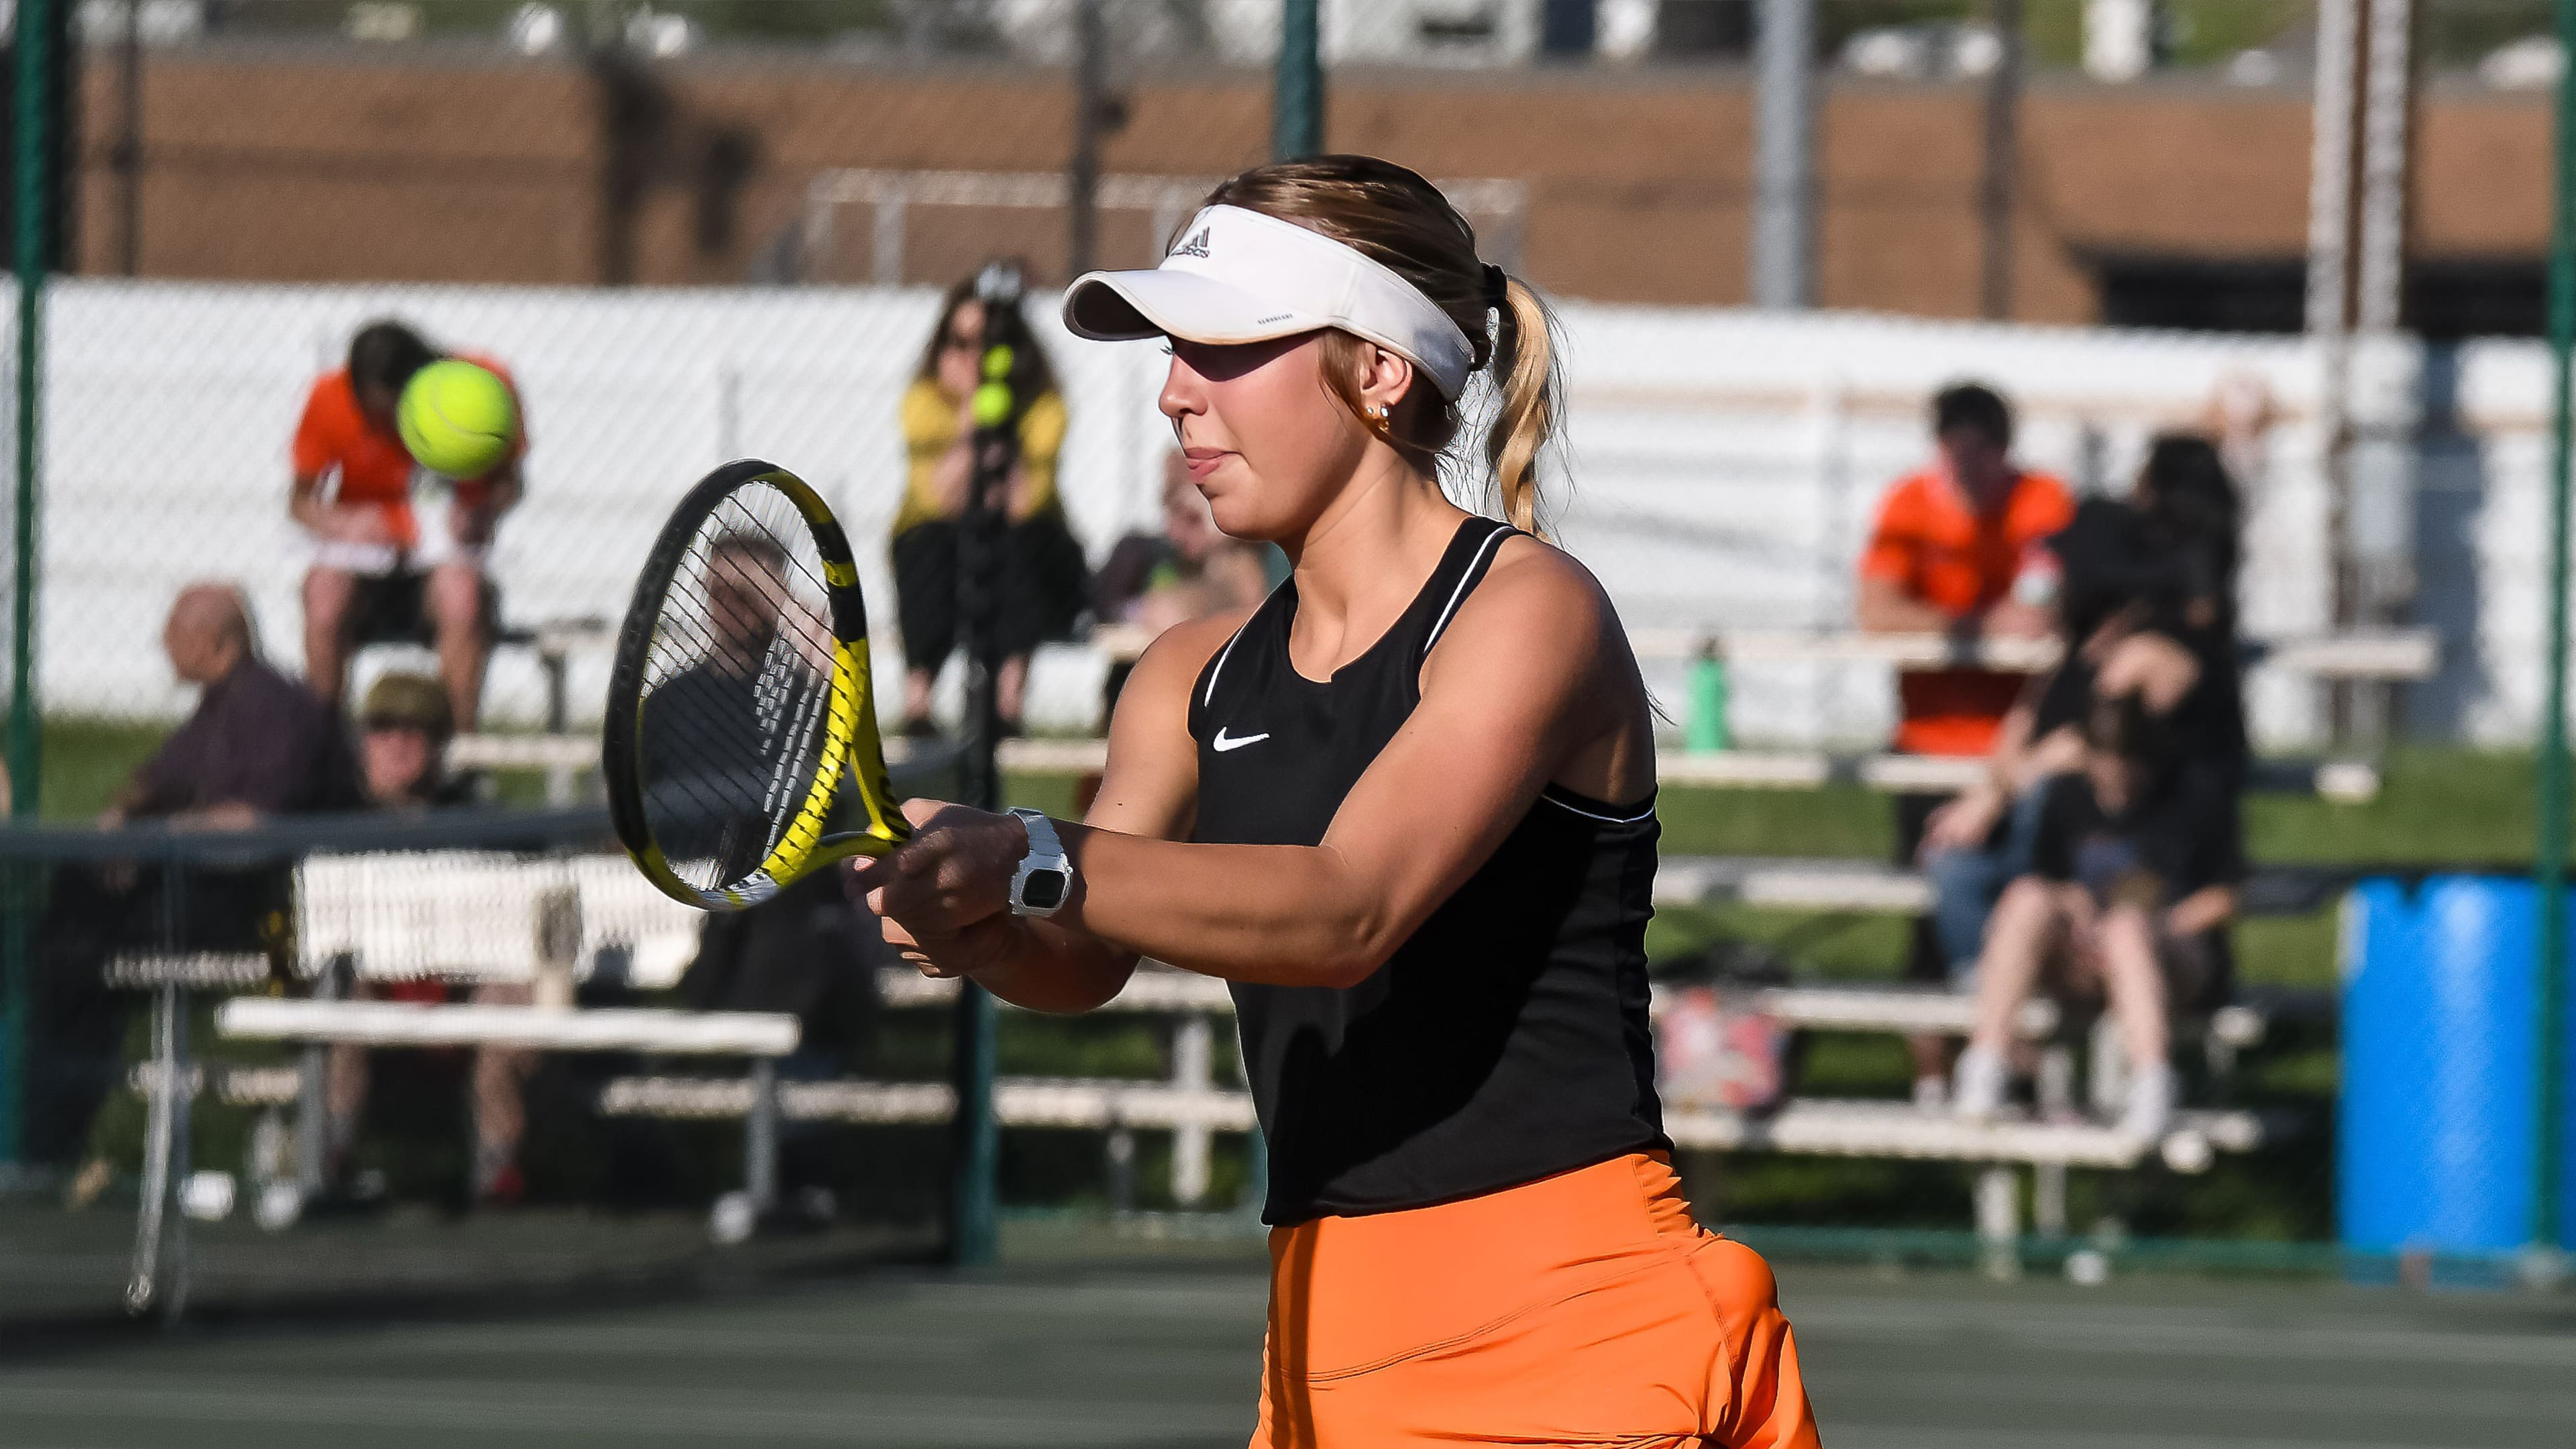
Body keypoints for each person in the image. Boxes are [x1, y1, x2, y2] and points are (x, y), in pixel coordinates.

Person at [859, 156, 1817, 1448]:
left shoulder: (1529, 611)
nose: (1175, 393)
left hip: (1579, 1334)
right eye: (1172, 352)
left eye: (1226, 348)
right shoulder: (1184, 675)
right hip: (1323, 1345)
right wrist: (973, 921)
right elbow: (1083, 957)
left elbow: (1345, 908)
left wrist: (1026, 854)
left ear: (1380, 368)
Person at [40, 584, 359, 1173]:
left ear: (214, 642)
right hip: (206, 891)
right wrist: (123, 818)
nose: (163, 647)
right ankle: (55, 1104)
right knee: (72, 903)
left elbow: (255, 827)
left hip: (272, 915)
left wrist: (162, 836)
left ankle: (53, 1122)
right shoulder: (218, 706)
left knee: (78, 946)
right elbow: (160, 778)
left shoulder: (275, 711)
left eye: (174, 635)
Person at [1856, 382, 2073, 1106]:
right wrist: (1976, 629)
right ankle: (1932, 1076)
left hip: (2019, 753)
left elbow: (2044, 615)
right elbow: (1877, 615)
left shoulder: (2042, 503)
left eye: (1985, 452)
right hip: (1929, 744)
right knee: (1928, 916)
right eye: (1958, 451)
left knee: (2030, 907)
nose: (1970, 470)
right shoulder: (1908, 507)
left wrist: (1957, 627)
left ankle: (2024, 1064)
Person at [1953, 691, 2245, 1140]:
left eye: (2128, 766)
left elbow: (2224, 897)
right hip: (2087, 958)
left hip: (2172, 954)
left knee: (2127, 928)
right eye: (2104, 765)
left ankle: (2153, 1082)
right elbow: (2051, 880)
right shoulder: (2068, 796)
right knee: (2026, 897)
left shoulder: (2193, 793)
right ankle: (1986, 1060)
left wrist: (2151, 929)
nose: (2116, 780)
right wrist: (2078, 911)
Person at [319, 672, 541, 1205]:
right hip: (372, 992)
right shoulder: (330, 817)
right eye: (383, 729)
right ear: (362, 742)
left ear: (441, 746)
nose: (397, 744)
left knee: (508, 997)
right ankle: (330, 1159)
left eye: (415, 732)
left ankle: (499, 1177)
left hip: (455, 990)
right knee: (342, 1000)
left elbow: (525, 901)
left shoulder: (479, 821)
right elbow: (291, 929)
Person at [292, 319, 526, 731]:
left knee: (462, 598)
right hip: (363, 566)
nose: (383, 427)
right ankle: (322, 747)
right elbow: (300, 500)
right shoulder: (330, 398)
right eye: (371, 415)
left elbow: (511, 483)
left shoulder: (481, 389)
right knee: (323, 594)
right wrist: (339, 521)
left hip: (445, 561)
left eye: (389, 413)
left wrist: (482, 511)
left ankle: (456, 753)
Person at [890, 268, 1090, 738]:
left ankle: (1008, 702)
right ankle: (918, 703)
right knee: (925, 543)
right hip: (940, 552)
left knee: (1019, 542)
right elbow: (936, 501)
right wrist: (970, 424)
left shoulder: (1043, 405)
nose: (975, 358)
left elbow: (1025, 503)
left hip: (1033, 555)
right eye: (961, 343)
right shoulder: (923, 402)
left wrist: (1007, 433)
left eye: (988, 344)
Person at [1090, 449, 1278, 722]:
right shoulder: (1159, 561)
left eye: (1189, 517)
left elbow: (1244, 592)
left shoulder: (1263, 561)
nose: (1172, 531)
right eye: (1170, 513)